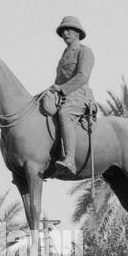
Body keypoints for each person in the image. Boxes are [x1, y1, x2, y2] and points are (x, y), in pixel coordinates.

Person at [48, 16, 95, 176]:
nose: (65, 33)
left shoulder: (85, 51)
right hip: (63, 95)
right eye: (63, 31)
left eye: (68, 30)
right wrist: (52, 91)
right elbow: (60, 78)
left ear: (77, 33)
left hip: (79, 96)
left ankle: (69, 160)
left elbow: (83, 76)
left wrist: (62, 89)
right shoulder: (64, 55)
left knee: (64, 113)